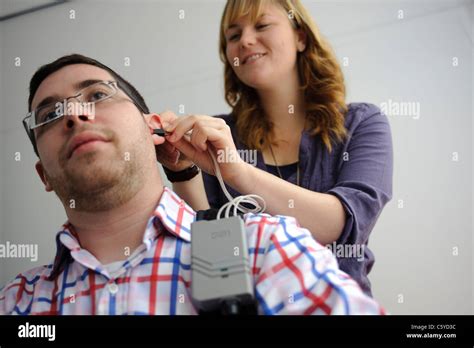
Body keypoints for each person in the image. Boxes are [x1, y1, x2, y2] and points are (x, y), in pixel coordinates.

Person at [0, 54, 383, 315]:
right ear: (43, 176)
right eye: (50, 114)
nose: (76, 115)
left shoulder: (259, 247)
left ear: (153, 128)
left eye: (97, 95)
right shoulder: (18, 301)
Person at [156, 0, 393, 297]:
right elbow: (207, 249)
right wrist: (181, 171)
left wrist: (238, 172)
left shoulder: (363, 122)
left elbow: (340, 224)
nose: (245, 41)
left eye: (262, 25)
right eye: (233, 36)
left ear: (301, 37)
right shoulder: (217, 134)